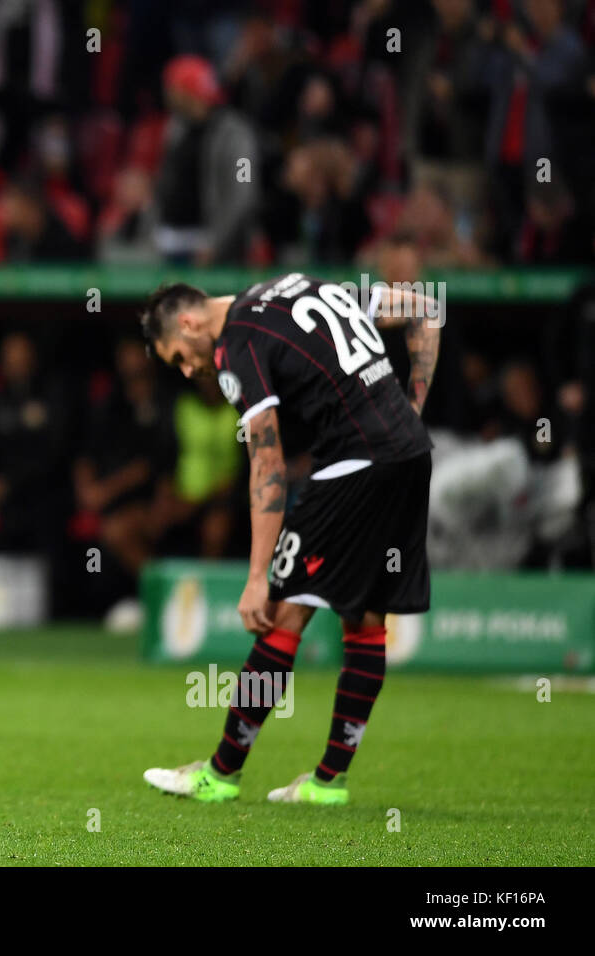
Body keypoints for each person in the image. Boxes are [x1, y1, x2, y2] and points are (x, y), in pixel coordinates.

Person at [139, 273, 440, 805]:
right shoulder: (295, 284)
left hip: (354, 461)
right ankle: (328, 782)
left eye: (179, 357)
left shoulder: (237, 344)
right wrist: (411, 409)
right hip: (409, 455)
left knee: (282, 613)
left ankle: (220, 774)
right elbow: (425, 310)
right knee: (367, 619)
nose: (189, 370)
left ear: (188, 322)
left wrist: (258, 577)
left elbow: (268, 461)